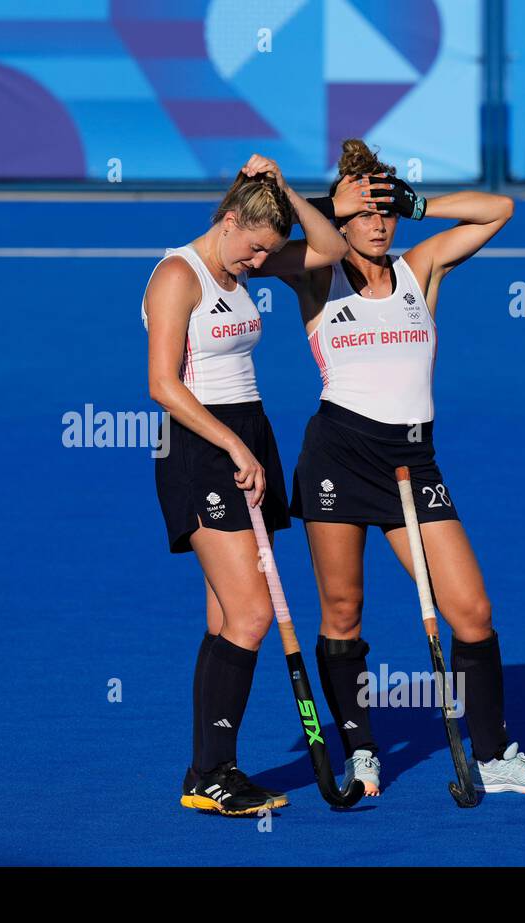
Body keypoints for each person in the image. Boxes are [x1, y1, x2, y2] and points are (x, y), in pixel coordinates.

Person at [280, 139, 525, 797]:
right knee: (344, 609)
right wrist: (327, 205)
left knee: (471, 609)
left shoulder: (421, 269)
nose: (380, 224)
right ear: (341, 217)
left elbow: (499, 208)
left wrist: (421, 201)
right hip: (338, 457)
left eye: (388, 211)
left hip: (414, 460)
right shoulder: (315, 274)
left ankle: (494, 759)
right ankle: (361, 750)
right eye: (366, 212)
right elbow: (255, 248)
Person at [142, 154, 391, 815]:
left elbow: (329, 248)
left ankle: (209, 771)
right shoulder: (179, 274)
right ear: (228, 222)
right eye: (253, 249)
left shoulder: (242, 261)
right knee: (253, 614)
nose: (257, 266)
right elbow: (162, 384)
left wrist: (280, 186)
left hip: (250, 438)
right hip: (201, 446)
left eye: (265, 255)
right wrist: (229, 446)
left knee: (227, 615)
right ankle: (210, 772)